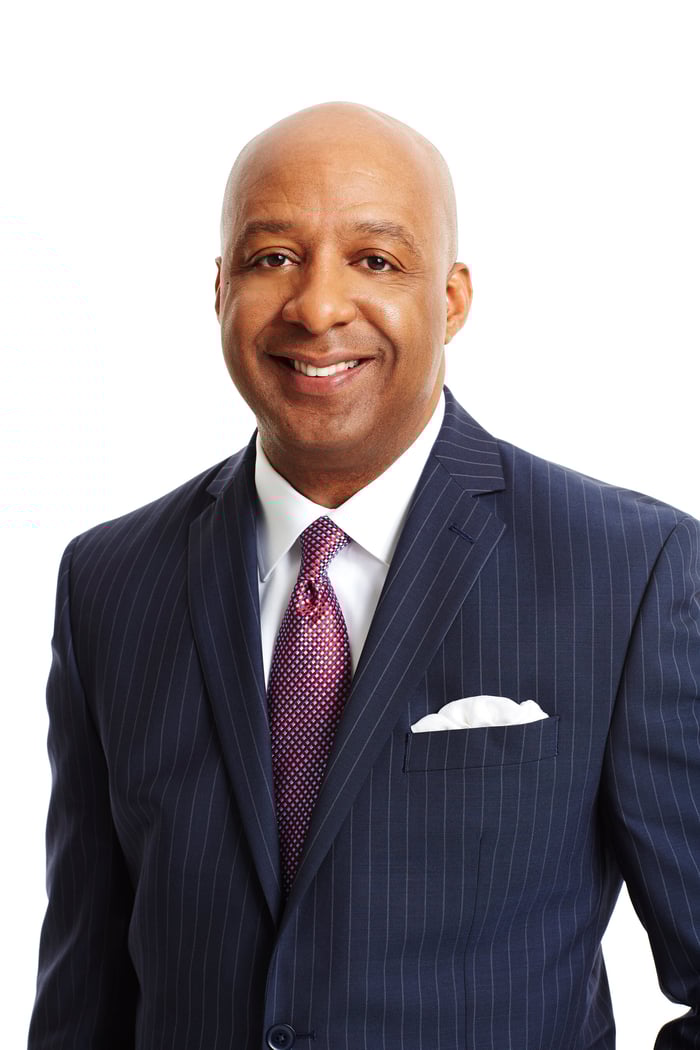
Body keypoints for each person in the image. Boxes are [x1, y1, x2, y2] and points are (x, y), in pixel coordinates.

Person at [28, 100, 700, 1050]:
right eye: (272, 258)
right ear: (219, 289)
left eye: (376, 261)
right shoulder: (109, 583)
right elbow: (83, 990)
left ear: (453, 300)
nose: (316, 307)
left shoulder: (629, 570)